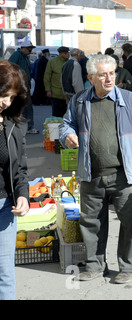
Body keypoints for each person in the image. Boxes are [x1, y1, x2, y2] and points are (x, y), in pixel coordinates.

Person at [59, 54, 132, 284]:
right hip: (91, 173)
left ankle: (128, 267)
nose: (109, 78)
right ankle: (95, 266)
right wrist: (67, 135)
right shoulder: (79, 100)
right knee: (91, 223)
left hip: (124, 174)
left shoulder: (130, 100)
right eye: (103, 74)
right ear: (90, 77)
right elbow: (66, 124)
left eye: (112, 73)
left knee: (129, 222)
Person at [0, 61, 30, 300]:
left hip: (4, 208)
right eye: (2, 95)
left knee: (5, 274)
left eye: (11, 97)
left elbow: (20, 169)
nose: (5, 103)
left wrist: (22, 196)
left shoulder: (12, 125)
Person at [8, 40, 39, 134]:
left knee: (25, 107)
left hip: (24, 85)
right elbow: (11, 69)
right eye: (29, 50)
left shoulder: (24, 57)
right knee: (24, 106)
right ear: (24, 48)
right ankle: (25, 127)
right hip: (20, 86)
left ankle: (26, 127)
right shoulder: (17, 55)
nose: (30, 52)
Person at [44, 46, 69, 117]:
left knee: (65, 115)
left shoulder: (69, 62)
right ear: (61, 54)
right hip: (55, 93)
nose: (68, 55)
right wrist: (48, 90)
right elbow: (47, 77)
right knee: (56, 114)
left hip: (66, 94)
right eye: (66, 53)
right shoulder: (52, 62)